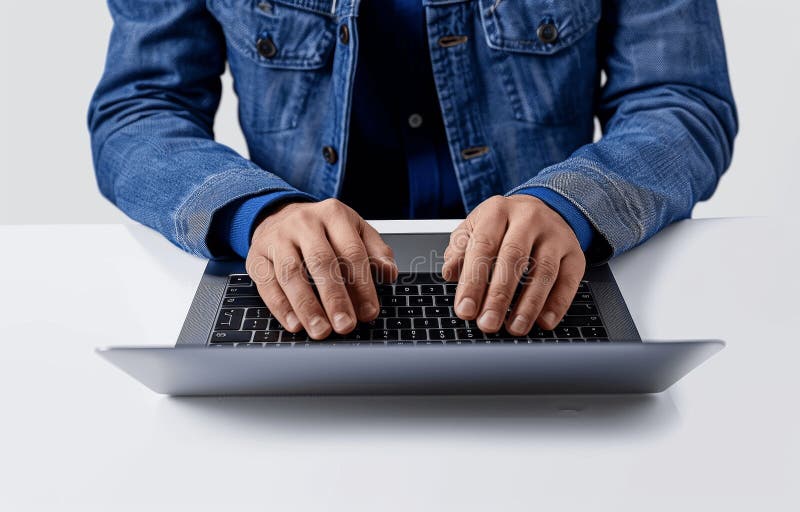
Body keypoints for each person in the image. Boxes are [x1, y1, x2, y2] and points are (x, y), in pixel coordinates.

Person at [88, 0, 737, 340]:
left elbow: (680, 97)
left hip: (542, 292)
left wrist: (569, 205)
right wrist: (258, 214)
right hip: (303, 298)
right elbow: (141, 107)